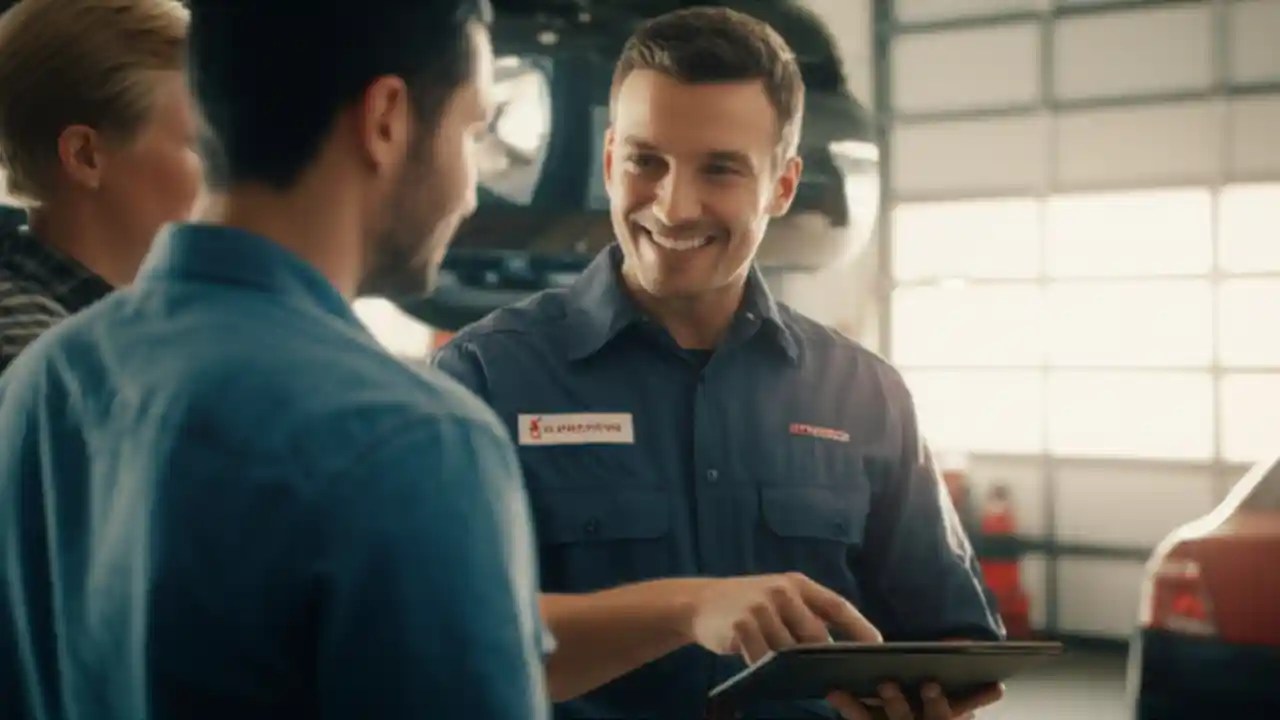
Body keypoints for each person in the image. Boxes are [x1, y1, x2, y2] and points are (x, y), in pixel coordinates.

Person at [433, 7, 1005, 720]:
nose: (674, 206)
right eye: (647, 162)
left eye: (722, 170)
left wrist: (924, 700)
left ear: (783, 186)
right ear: (611, 162)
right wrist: (686, 608)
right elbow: (451, 637)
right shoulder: (486, 380)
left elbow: (944, 630)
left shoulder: (866, 395)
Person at [0, 1, 550, 719]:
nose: (470, 192)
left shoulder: (43, 379)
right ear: (386, 118)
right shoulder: (416, 439)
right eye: (471, 130)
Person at [0, 0, 202, 374]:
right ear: (85, 155)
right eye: (200, 145)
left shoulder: (116, 335)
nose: (222, 175)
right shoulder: (39, 358)